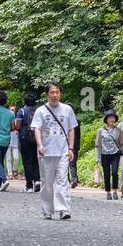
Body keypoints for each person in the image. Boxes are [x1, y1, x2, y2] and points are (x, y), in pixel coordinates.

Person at [30, 83, 78, 219]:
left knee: (63, 180)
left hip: (62, 151)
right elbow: (37, 129)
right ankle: (47, 210)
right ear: (47, 94)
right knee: (47, 182)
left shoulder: (67, 109)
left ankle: (64, 209)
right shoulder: (41, 110)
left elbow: (71, 129)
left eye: (57, 92)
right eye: (52, 92)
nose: (55, 95)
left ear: (60, 93)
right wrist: (39, 145)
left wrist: (71, 148)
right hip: (46, 152)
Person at [15, 95, 41, 192]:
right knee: (35, 160)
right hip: (37, 138)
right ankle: (37, 180)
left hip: (25, 137)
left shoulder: (21, 111)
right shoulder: (38, 110)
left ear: (25, 101)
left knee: (27, 161)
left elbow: (17, 126)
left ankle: (29, 185)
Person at [96, 110, 123, 199]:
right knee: (106, 173)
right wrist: (98, 158)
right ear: (106, 120)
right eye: (109, 118)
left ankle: (115, 190)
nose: (112, 119)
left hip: (115, 154)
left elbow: (122, 143)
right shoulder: (101, 131)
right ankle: (108, 192)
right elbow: (98, 145)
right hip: (104, 154)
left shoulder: (118, 130)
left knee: (115, 172)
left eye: (113, 118)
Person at [6, 104, 21, 179]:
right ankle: (9, 173)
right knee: (8, 158)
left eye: (13, 110)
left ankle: (15, 170)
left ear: (15, 111)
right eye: (10, 109)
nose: (11, 111)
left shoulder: (17, 120)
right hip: (7, 140)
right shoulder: (5, 120)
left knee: (16, 157)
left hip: (15, 141)